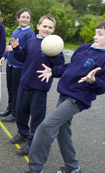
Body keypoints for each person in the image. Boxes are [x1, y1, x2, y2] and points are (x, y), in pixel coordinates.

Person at [17, 21, 105, 173]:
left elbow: (102, 87)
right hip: (65, 93)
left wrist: (93, 80)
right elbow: (69, 67)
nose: (95, 36)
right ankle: (72, 166)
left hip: (77, 100)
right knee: (62, 130)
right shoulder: (85, 48)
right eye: (96, 32)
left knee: (46, 127)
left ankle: (35, 169)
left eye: (100, 34)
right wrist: (53, 71)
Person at [9, 14, 65, 155]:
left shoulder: (55, 47)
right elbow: (22, 57)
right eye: (44, 26)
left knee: (37, 117)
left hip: (40, 87)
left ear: (53, 30)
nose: (46, 29)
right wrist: (16, 49)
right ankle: (23, 133)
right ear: (38, 26)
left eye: (50, 27)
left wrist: (54, 55)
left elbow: (59, 67)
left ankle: (32, 141)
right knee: (21, 111)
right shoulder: (31, 42)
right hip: (25, 83)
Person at [0, 9, 35, 121]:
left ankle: (15, 113)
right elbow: (10, 45)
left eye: (27, 17)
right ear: (18, 18)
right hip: (10, 64)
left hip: (19, 66)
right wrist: (4, 55)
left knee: (16, 90)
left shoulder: (30, 33)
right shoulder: (15, 31)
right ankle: (10, 108)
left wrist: (16, 48)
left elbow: (28, 50)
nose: (25, 19)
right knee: (10, 88)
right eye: (23, 17)